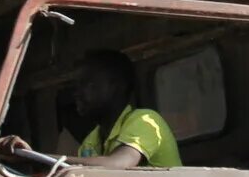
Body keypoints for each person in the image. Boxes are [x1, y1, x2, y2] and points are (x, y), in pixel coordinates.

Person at [51, 50, 182, 170]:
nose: (77, 93)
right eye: (76, 86)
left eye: (88, 84)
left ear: (117, 86)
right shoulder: (90, 142)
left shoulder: (145, 121)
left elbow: (117, 165)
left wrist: (45, 159)